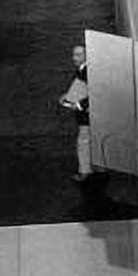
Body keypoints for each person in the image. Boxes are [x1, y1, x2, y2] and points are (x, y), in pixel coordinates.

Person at [59, 43, 92, 181]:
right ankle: (96, 165)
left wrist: (77, 104)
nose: (74, 58)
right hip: (87, 114)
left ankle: (85, 171)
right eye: (74, 54)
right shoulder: (83, 69)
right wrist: (68, 96)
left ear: (87, 55)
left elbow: (94, 93)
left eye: (78, 55)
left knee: (83, 142)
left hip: (86, 115)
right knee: (90, 139)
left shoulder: (87, 72)